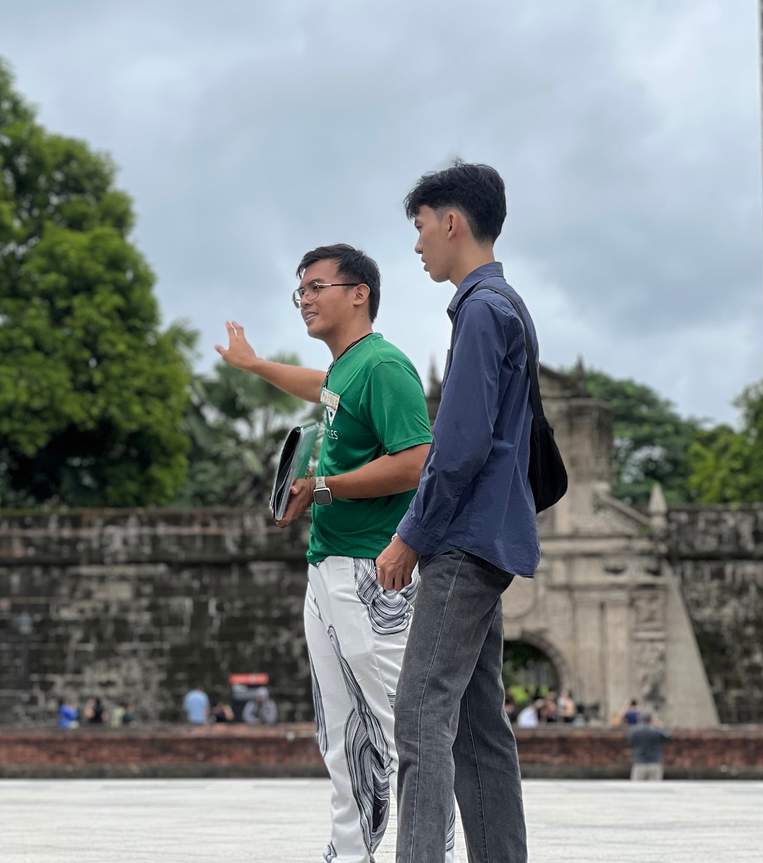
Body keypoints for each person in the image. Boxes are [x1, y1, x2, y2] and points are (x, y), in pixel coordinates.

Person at [217, 243, 447, 862]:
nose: (306, 300)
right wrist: (255, 365)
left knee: (402, 726)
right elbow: (317, 387)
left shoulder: (383, 366)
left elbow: (416, 461)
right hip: (327, 569)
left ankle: (436, 853)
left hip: (373, 569)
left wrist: (321, 486)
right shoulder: (346, 370)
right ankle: (352, 854)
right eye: (301, 291)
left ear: (359, 293)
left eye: (317, 286)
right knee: (341, 732)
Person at [375, 161, 535, 862]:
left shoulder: (479, 309)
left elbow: (459, 444)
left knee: (418, 714)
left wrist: (409, 535)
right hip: (493, 536)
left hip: (463, 541)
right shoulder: (508, 305)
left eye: (419, 227)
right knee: (475, 727)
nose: (415, 246)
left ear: (451, 222)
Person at [627, 713, 672, 781]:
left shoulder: (635, 731)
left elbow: (630, 741)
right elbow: (668, 737)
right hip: (654, 763)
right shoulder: (656, 731)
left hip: (639, 763)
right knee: (655, 789)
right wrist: (661, 726)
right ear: (651, 720)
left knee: (636, 789)